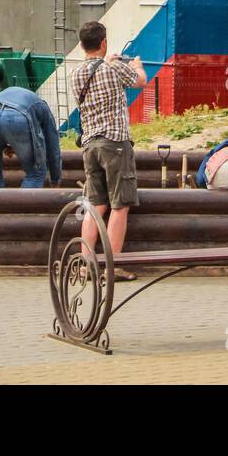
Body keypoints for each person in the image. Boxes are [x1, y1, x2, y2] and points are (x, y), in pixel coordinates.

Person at [70, 21, 147, 278]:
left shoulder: (76, 73)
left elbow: (98, 71)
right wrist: (135, 65)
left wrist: (110, 61)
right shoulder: (114, 68)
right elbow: (140, 81)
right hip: (115, 144)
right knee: (119, 205)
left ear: (82, 45)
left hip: (90, 145)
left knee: (95, 204)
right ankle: (111, 268)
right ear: (103, 43)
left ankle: (85, 264)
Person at [0, 86, 62, 188]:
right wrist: (55, 180)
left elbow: (1, 122)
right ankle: (23, 204)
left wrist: (11, 145)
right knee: (36, 172)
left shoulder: (13, 94)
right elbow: (53, 147)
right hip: (17, 117)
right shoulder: (43, 108)